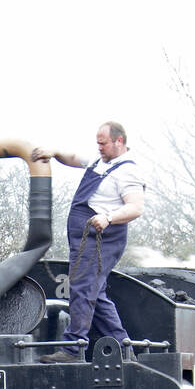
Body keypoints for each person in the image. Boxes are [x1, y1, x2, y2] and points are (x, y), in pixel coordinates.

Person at [32, 122, 146, 362]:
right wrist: (54, 152)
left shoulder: (128, 171)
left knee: (82, 288)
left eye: (103, 143)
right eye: (98, 143)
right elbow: (73, 158)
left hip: (102, 240)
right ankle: (125, 351)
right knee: (96, 294)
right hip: (85, 238)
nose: (99, 147)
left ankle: (73, 349)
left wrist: (108, 217)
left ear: (119, 141)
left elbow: (135, 207)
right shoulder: (99, 161)